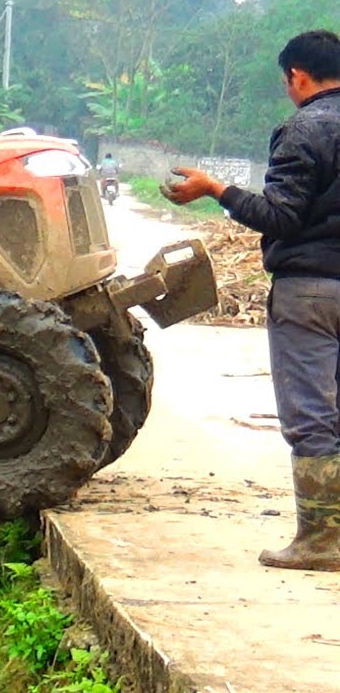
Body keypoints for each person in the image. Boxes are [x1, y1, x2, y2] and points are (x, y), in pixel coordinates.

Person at [161, 29, 340, 572]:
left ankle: (322, 539)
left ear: (298, 76)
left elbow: (280, 216)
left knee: (313, 416)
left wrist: (217, 190)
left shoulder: (302, 129)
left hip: (309, 292)